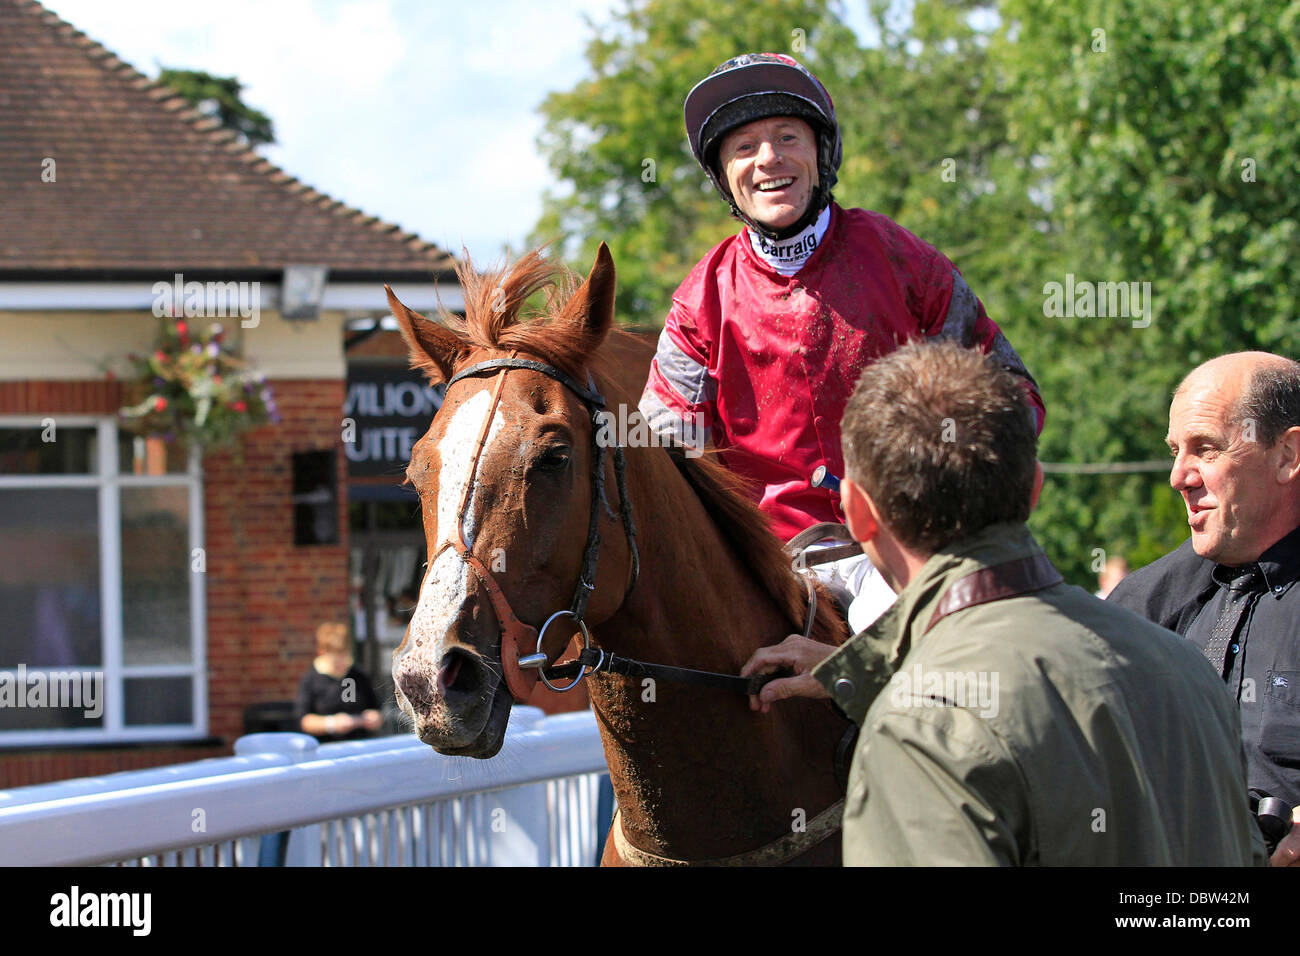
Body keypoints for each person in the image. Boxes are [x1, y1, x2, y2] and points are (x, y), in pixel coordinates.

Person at [741, 339, 1265, 865]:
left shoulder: (921, 729)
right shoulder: (1189, 671)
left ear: (856, 511)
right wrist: (860, 670)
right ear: (1034, 488)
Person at [638, 52, 1045, 630]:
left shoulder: (905, 260)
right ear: (723, 174)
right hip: (770, 569)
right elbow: (664, 463)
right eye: (743, 147)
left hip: (913, 550)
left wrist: (933, 488)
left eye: (786, 137)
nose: (768, 159)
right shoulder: (700, 300)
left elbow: (1015, 400)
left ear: (822, 153)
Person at [1108, 352, 1300, 864]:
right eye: (1175, 451)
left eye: (1206, 448)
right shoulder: (1142, 607)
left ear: (1288, 455)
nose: (1178, 477)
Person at [296, 621, 383, 743]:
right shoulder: (312, 679)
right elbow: (304, 721)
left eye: (345, 655)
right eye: (336, 659)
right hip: (326, 748)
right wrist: (331, 724)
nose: (342, 663)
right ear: (323, 653)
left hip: (360, 745)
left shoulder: (359, 675)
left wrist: (373, 718)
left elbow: (376, 709)